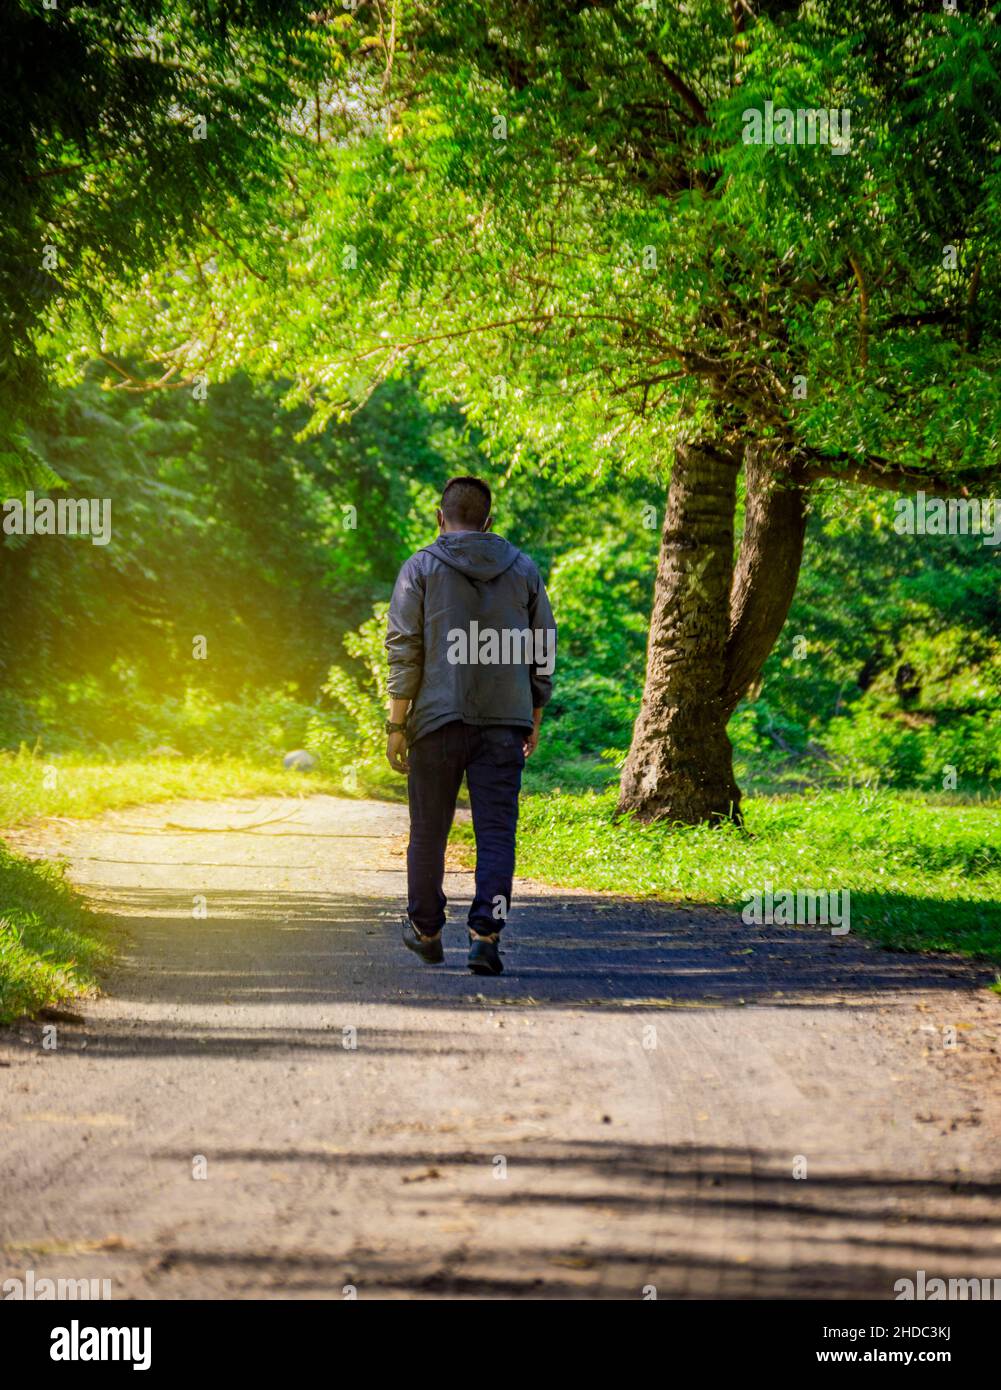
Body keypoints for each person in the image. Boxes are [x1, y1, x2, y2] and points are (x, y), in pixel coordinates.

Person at [385, 475, 556, 975]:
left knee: (428, 831)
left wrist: (397, 725)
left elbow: (404, 649)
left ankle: (426, 930)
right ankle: (485, 936)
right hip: (504, 724)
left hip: (436, 722)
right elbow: (542, 647)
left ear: (441, 519)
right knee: (497, 831)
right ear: (488, 522)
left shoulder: (419, 568)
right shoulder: (523, 569)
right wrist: (533, 714)